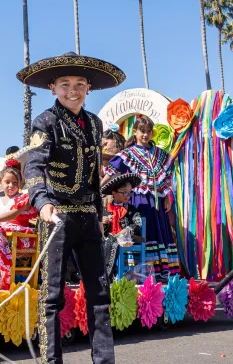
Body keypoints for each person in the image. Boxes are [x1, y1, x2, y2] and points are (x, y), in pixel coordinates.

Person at [19, 51, 123, 363]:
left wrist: (100, 212)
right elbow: (34, 167)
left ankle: (104, 360)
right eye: (65, 84)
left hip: (88, 218)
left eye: (79, 83)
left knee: (99, 294)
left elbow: (94, 174)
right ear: (53, 87)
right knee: (52, 297)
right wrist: (43, 204)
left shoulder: (95, 123)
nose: (73, 89)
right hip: (56, 218)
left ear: (89, 87)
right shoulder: (45, 122)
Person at [104, 116, 178, 279]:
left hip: (156, 201)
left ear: (152, 133)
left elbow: (167, 176)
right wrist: (99, 187)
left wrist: (166, 196)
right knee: (143, 230)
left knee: (159, 232)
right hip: (138, 200)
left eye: (148, 132)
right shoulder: (127, 154)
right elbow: (112, 172)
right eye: (142, 131)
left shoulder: (160, 154)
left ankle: (161, 270)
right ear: (135, 132)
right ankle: (138, 270)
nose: (145, 135)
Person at [100, 173, 145, 279]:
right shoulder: (105, 209)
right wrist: (102, 222)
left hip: (125, 238)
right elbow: (101, 229)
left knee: (113, 241)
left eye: (129, 193)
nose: (127, 196)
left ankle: (106, 275)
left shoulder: (132, 209)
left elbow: (138, 223)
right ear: (114, 193)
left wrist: (126, 231)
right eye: (124, 192)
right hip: (107, 238)